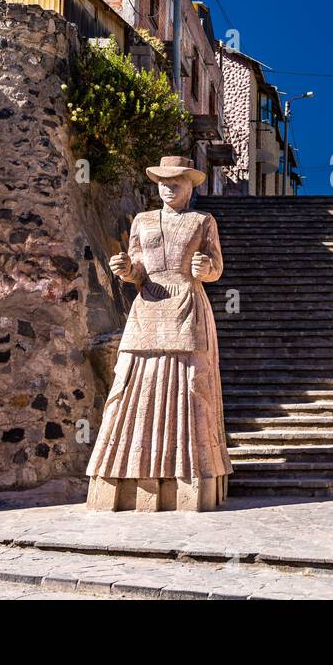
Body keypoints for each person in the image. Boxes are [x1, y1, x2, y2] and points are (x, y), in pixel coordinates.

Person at [85, 155, 232, 511]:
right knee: (128, 384)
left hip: (186, 305)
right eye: (163, 181)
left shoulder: (202, 220)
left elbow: (216, 267)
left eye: (176, 181)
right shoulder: (143, 220)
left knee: (192, 385)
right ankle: (125, 472)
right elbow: (137, 267)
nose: (168, 187)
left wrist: (206, 267)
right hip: (147, 308)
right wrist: (126, 269)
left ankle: (190, 472)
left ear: (190, 186)